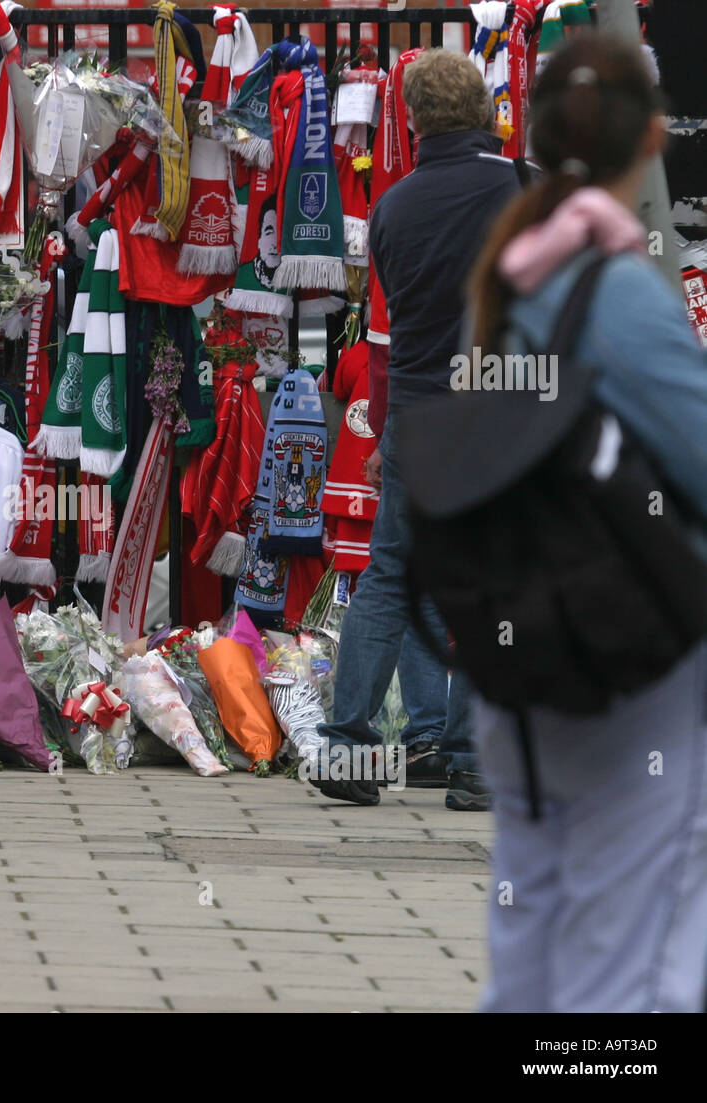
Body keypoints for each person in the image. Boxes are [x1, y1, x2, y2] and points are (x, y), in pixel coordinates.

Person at [465, 31, 707, 1013]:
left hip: (521, 635)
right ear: (652, 137)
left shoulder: (510, 274)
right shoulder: (620, 295)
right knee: (627, 943)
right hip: (627, 650)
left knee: (530, 912)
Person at [311, 49, 519, 808]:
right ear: (484, 113)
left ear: (411, 118)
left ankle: (345, 750)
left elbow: (393, 339)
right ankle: (470, 763)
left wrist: (387, 430)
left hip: (418, 418)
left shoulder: (393, 208)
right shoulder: (520, 189)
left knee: (389, 577)